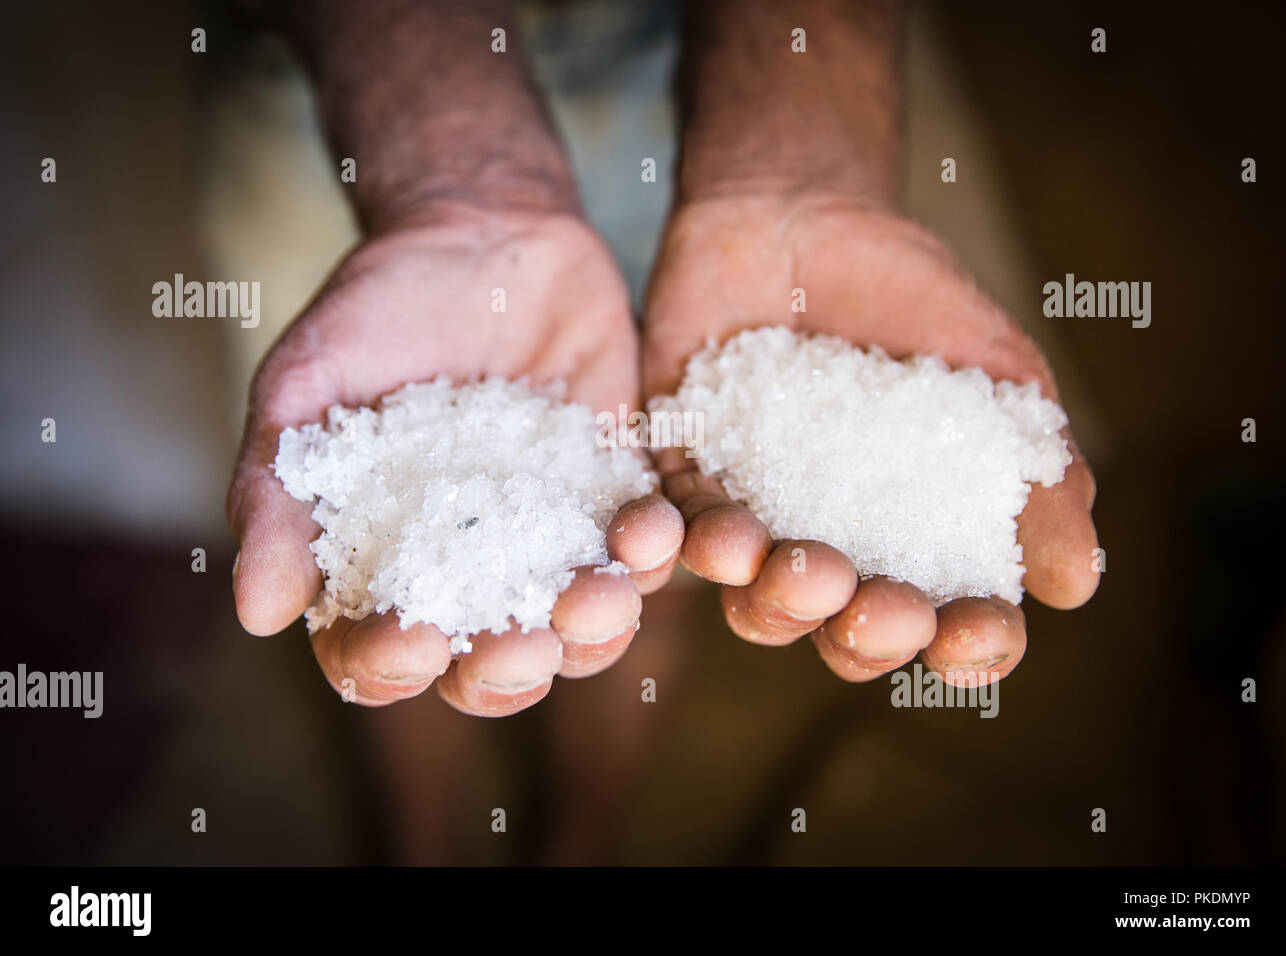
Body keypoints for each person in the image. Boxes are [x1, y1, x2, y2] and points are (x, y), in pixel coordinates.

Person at [228, 0, 1099, 718]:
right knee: (390, 628)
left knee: (655, 559)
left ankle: (578, 833)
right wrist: (449, 180)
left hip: (697, 46)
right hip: (354, 71)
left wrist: (795, 164)